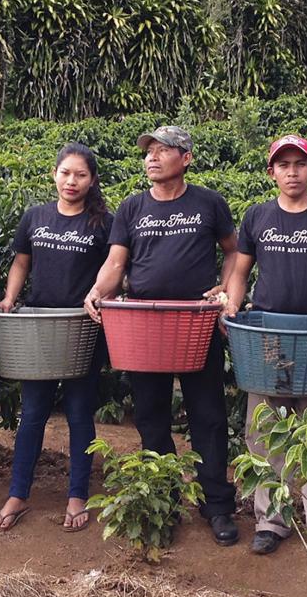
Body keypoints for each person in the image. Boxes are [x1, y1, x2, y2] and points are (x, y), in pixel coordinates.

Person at [83, 125, 240, 547]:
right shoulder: (132, 208)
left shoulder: (209, 203)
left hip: (195, 323)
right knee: (151, 414)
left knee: (207, 414)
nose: (152, 157)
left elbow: (233, 251)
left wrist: (225, 289)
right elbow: (117, 262)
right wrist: (99, 291)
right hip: (145, 326)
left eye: (163, 150)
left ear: (185, 158)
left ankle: (217, 504)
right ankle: (165, 500)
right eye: (148, 151)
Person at [223, 134, 307, 559]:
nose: (292, 172)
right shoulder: (258, 217)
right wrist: (231, 303)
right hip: (268, 337)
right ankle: (272, 520)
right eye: (283, 165)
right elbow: (240, 270)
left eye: (299, 164)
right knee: (265, 432)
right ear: (272, 172)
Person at [0, 143, 113, 534]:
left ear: (91, 179)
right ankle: (18, 493)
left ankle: (77, 493)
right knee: (33, 413)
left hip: (82, 327)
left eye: (80, 174)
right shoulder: (36, 217)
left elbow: (114, 269)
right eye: (65, 173)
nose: (71, 181)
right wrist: (11, 298)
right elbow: (21, 262)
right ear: (54, 175)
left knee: (80, 413)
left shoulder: (103, 223)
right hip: (39, 326)